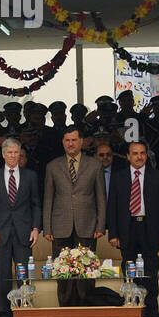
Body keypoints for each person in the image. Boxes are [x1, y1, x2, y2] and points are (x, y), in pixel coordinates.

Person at [108, 142, 159, 317]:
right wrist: (113, 234)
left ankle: (151, 314)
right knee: (130, 272)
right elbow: (112, 207)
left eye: (142, 153)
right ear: (128, 156)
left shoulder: (158, 177)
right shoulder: (118, 177)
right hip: (127, 230)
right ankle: (131, 312)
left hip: (149, 229)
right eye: (135, 153)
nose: (139, 157)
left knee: (150, 273)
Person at [42, 125, 106, 306]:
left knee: (86, 271)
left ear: (82, 142)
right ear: (63, 142)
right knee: (62, 271)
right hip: (60, 226)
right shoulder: (52, 166)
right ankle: (65, 313)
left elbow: (101, 198)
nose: (70, 144)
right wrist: (47, 227)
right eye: (67, 140)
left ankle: (86, 313)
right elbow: (48, 199)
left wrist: (100, 226)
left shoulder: (95, 165)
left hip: (87, 225)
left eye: (74, 140)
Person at [0, 137, 42, 317]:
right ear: (3, 154)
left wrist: (36, 228)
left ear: (20, 154)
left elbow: (36, 205)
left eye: (16, 152)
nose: (13, 156)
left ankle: (26, 311)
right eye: (9, 152)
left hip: (24, 232)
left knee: (24, 274)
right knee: (2, 275)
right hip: (0, 233)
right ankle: (3, 316)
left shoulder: (30, 176)